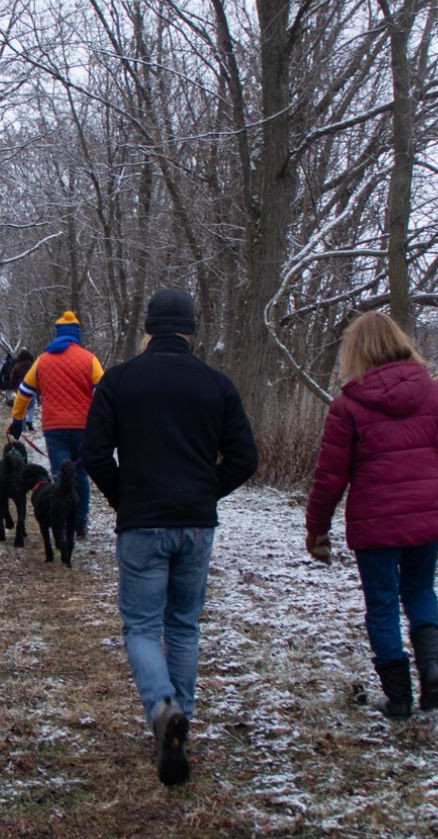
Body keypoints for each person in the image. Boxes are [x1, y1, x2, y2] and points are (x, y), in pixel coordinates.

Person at [81, 289, 257, 787]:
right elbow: (245, 459)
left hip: (142, 524)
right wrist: (205, 494)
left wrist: (124, 498)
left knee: (141, 626)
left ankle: (162, 708)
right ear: (191, 329)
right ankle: (180, 720)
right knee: (183, 626)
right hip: (197, 525)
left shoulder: (119, 380)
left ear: (149, 327)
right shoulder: (216, 385)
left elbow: (95, 454)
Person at [304, 312, 438, 719]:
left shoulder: (348, 404)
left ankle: (399, 699)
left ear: (355, 351)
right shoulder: (432, 394)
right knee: (420, 593)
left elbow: (330, 477)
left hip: (376, 521)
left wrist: (317, 529)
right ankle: (431, 673)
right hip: (428, 516)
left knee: (381, 605)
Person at [9, 313, 102, 536]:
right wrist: (103, 423)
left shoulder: (43, 360)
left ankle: (60, 521)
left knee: (61, 475)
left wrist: (17, 420)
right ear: (77, 335)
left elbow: (24, 392)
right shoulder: (90, 359)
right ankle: (80, 522)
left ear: (58, 334)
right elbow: (103, 393)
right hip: (83, 427)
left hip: (55, 428)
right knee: (79, 475)